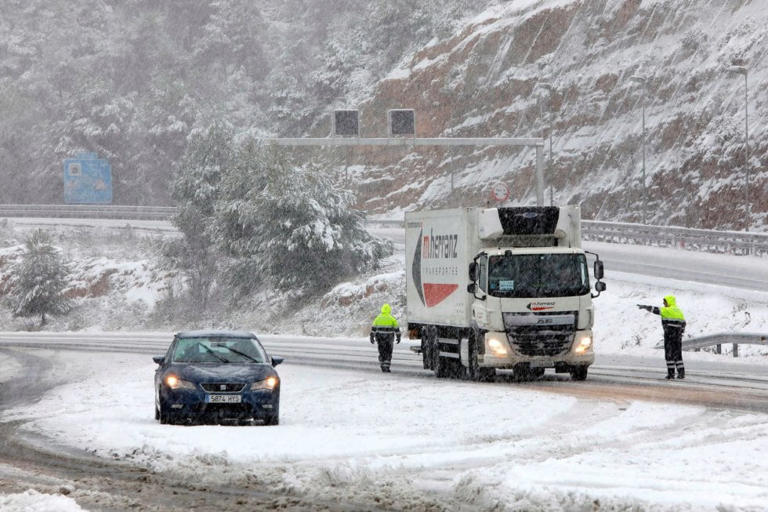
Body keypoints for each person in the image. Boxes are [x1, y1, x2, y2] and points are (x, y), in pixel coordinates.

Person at [638, 295, 686, 379]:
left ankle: (671, 374)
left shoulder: (666, 310)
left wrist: (645, 307)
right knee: (678, 355)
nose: (663, 303)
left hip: (669, 336)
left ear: (669, 302)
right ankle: (681, 373)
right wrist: (680, 332)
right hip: (677, 337)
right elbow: (684, 323)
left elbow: (655, 309)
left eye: (665, 302)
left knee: (669, 355)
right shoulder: (679, 311)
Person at [370, 303, 401, 373]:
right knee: (388, 352)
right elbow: (396, 328)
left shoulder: (377, 318)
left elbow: (373, 329)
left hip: (380, 339)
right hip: (389, 339)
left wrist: (372, 337)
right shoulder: (392, 318)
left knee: (382, 352)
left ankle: (382, 364)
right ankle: (386, 366)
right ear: (389, 310)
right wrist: (398, 337)